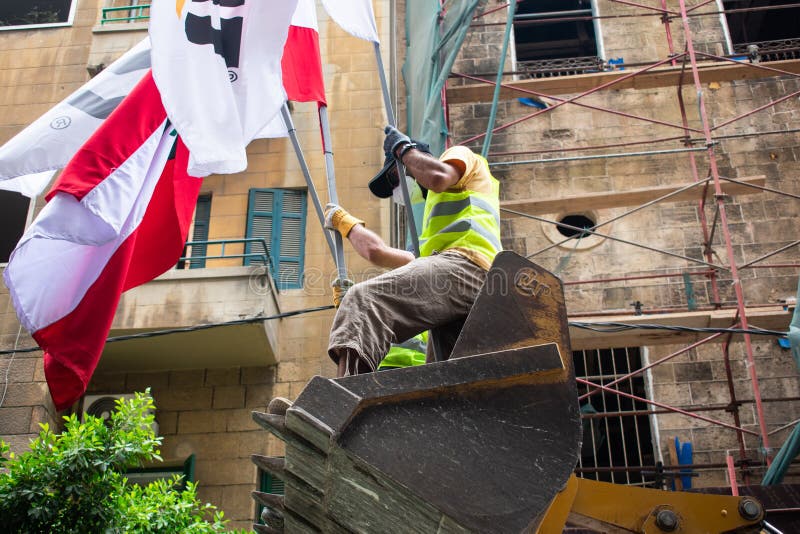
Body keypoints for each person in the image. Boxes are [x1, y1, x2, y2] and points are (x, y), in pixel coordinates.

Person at [324, 126, 501, 377]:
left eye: (401, 175)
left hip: (468, 267)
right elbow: (378, 253)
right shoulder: (431, 237)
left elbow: (437, 177)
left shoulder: (461, 157)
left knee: (364, 300)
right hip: (467, 286)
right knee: (439, 381)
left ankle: (339, 404)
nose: (402, 188)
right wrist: (347, 225)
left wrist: (403, 150)